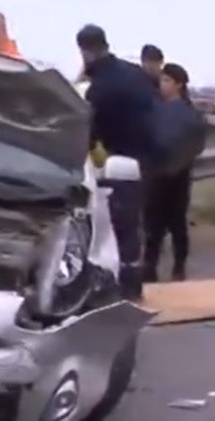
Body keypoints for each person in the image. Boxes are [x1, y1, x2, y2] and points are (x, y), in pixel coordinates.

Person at [76, 24, 161, 299]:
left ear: (85, 51)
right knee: (132, 226)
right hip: (149, 156)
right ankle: (134, 284)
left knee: (113, 227)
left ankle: (120, 289)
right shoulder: (136, 74)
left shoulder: (99, 88)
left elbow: (87, 131)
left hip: (120, 162)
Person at [143, 63, 204, 283]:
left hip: (178, 175)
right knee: (153, 224)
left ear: (178, 85)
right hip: (156, 173)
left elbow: (196, 144)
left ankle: (179, 266)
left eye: (167, 80)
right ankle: (149, 267)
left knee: (176, 222)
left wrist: (178, 162)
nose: (162, 84)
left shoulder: (190, 114)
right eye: (162, 80)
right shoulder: (154, 109)